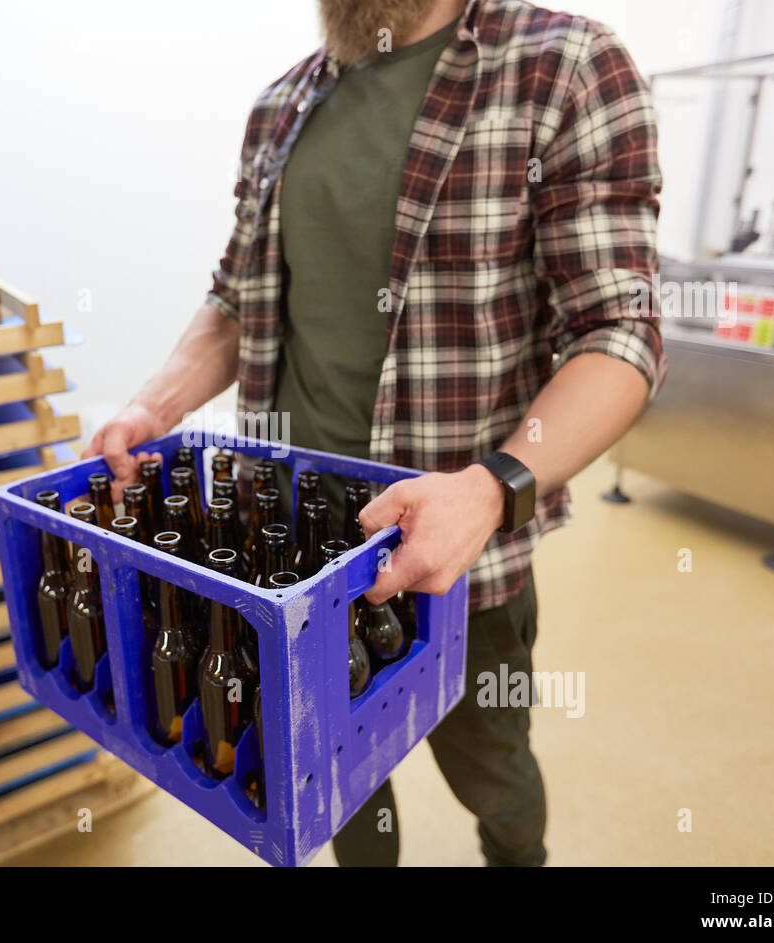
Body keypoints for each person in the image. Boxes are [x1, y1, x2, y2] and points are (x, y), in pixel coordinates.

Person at [85, 0, 666, 866]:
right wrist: (153, 407)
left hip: (466, 558)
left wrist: (489, 488)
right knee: (336, 772)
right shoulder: (283, 107)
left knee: (494, 766)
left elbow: (619, 334)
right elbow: (236, 301)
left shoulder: (564, 65)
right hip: (298, 557)